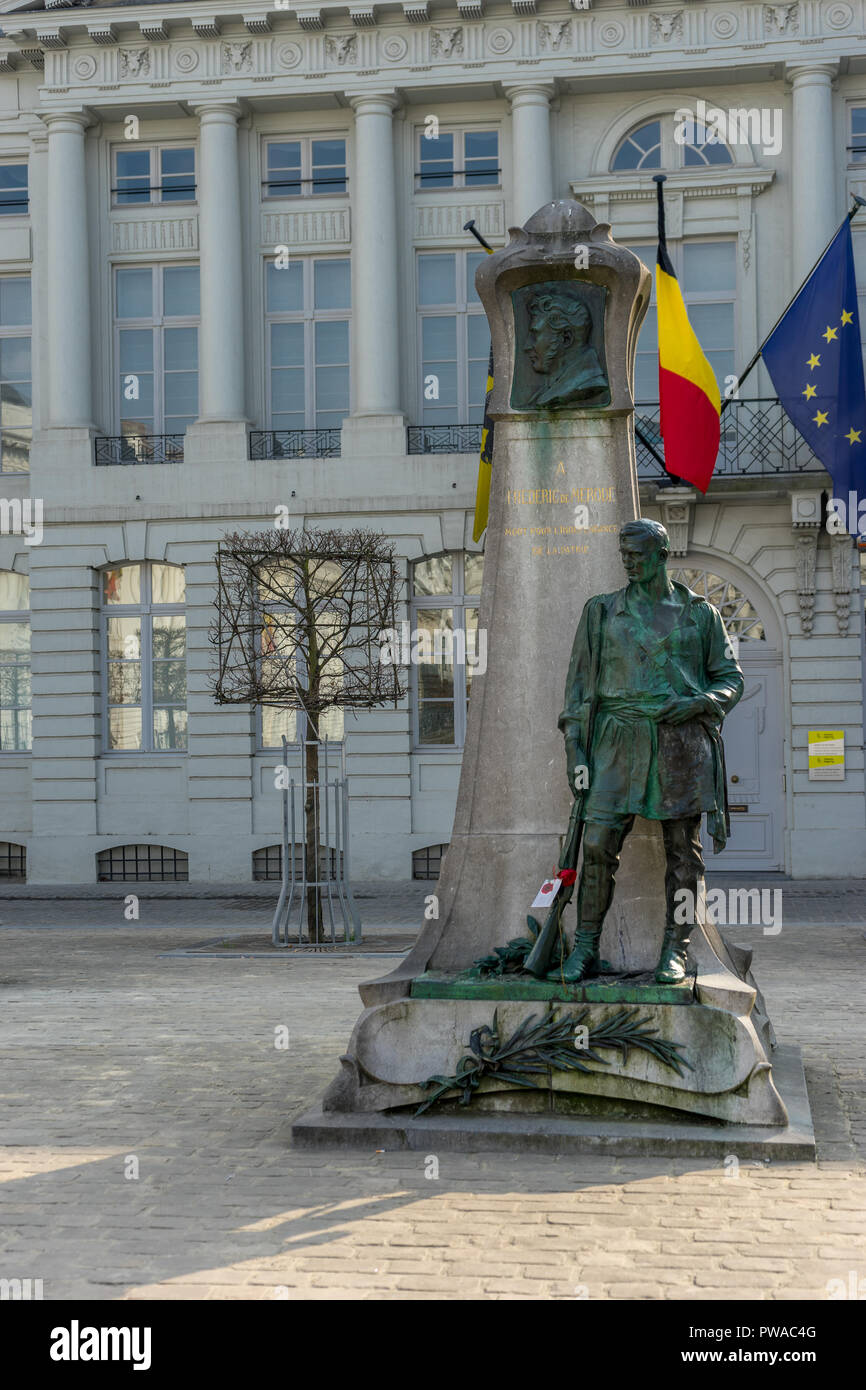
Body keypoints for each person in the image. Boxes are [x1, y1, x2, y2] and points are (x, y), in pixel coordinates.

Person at [552, 517, 743, 985]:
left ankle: (675, 949)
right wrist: (577, 752)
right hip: (615, 740)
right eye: (624, 556)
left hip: (680, 743)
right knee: (596, 844)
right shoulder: (600, 612)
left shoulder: (699, 613)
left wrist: (699, 702)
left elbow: (731, 679)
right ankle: (585, 947)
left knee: (683, 853)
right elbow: (578, 694)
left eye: (638, 555)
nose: (630, 563)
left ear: (662, 554)